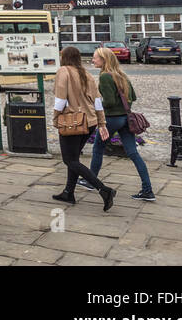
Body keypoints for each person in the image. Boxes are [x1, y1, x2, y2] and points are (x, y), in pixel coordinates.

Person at [87, 46, 155, 200]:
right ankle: (147, 190)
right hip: (126, 119)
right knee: (133, 153)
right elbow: (133, 97)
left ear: (104, 60)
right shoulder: (122, 75)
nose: (93, 60)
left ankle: (91, 181)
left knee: (98, 148)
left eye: (95, 57)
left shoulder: (105, 76)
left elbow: (109, 102)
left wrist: (95, 105)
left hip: (111, 119)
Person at [52, 45, 115, 210]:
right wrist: (101, 123)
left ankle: (104, 189)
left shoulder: (63, 71)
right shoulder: (86, 74)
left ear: (65, 57)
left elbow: (60, 100)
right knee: (74, 159)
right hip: (90, 123)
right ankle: (68, 192)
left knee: (69, 160)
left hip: (73, 121)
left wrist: (55, 117)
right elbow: (97, 102)